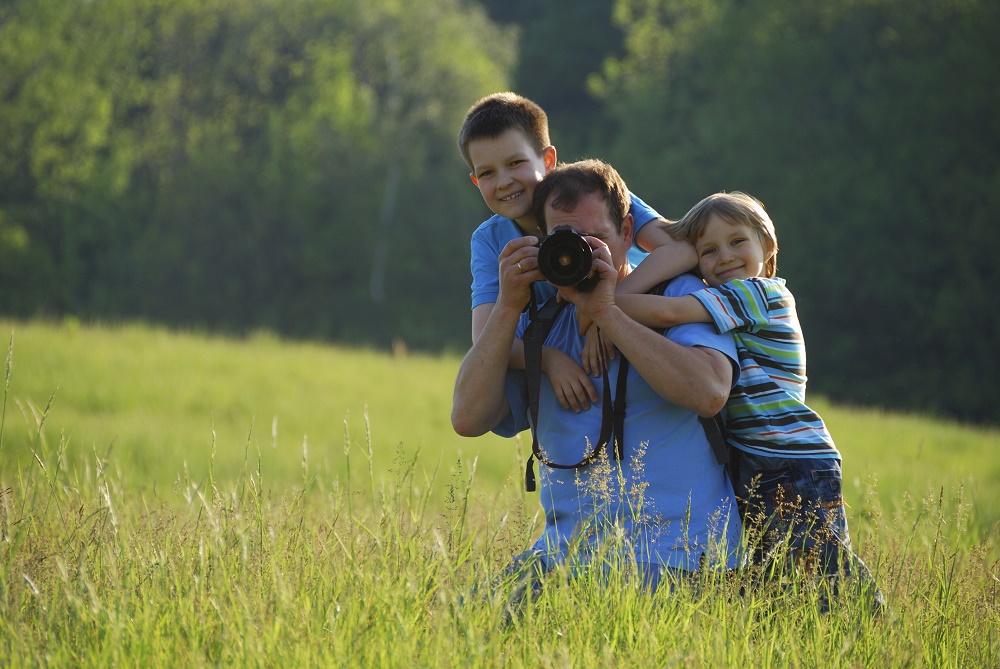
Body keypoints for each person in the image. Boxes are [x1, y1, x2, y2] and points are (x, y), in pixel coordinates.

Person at [451, 159, 742, 596]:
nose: (580, 252)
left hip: (679, 555)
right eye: (565, 238)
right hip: (565, 556)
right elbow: (467, 419)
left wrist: (608, 314)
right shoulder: (540, 326)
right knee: (463, 620)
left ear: (627, 233)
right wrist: (508, 306)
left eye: (596, 238)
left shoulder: (679, 296)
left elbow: (709, 392)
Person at [613, 191, 884, 608]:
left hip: (789, 459)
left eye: (737, 241)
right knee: (777, 575)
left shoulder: (760, 293)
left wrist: (601, 305)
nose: (724, 256)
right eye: (708, 250)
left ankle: (867, 622)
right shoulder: (730, 301)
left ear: (767, 246)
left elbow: (668, 313)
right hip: (759, 458)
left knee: (820, 568)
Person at [457, 92, 696, 414]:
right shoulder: (490, 240)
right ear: (475, 181)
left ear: (548, 160)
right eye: (487, 173)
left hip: (640, 316)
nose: (503, 181)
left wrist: (606, 310)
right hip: (565, 349)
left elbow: (681, 248)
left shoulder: (592, 192)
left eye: (515, 163)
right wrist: (550, 360)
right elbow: (487, 338)